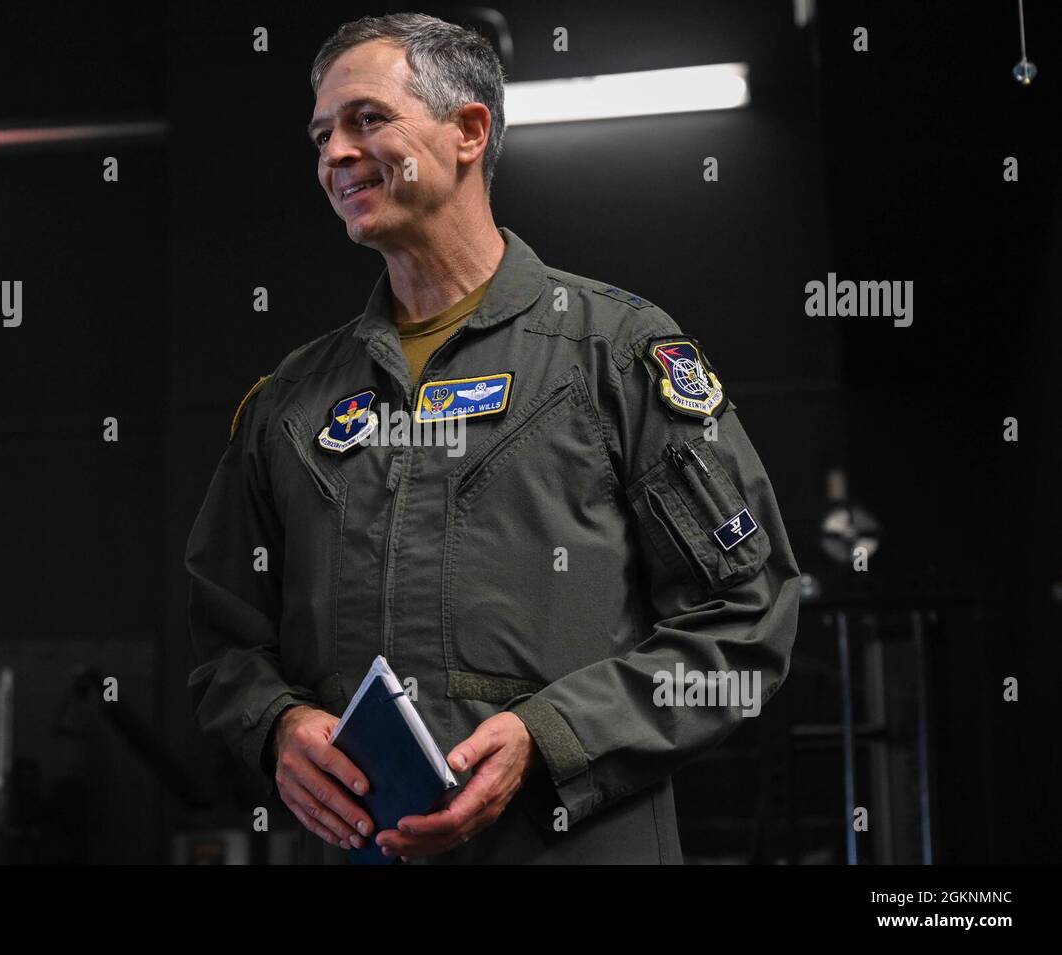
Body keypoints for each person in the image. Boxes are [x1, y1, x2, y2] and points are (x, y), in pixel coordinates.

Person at [184, 12, 800, 864]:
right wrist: (277, 724)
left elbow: (747, 617)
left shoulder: (612, 354)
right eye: (322, 134)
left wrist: (551, 734)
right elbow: (224, 638)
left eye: (366, 120)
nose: (332, 154)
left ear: (469, 130)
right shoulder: (290, 403)